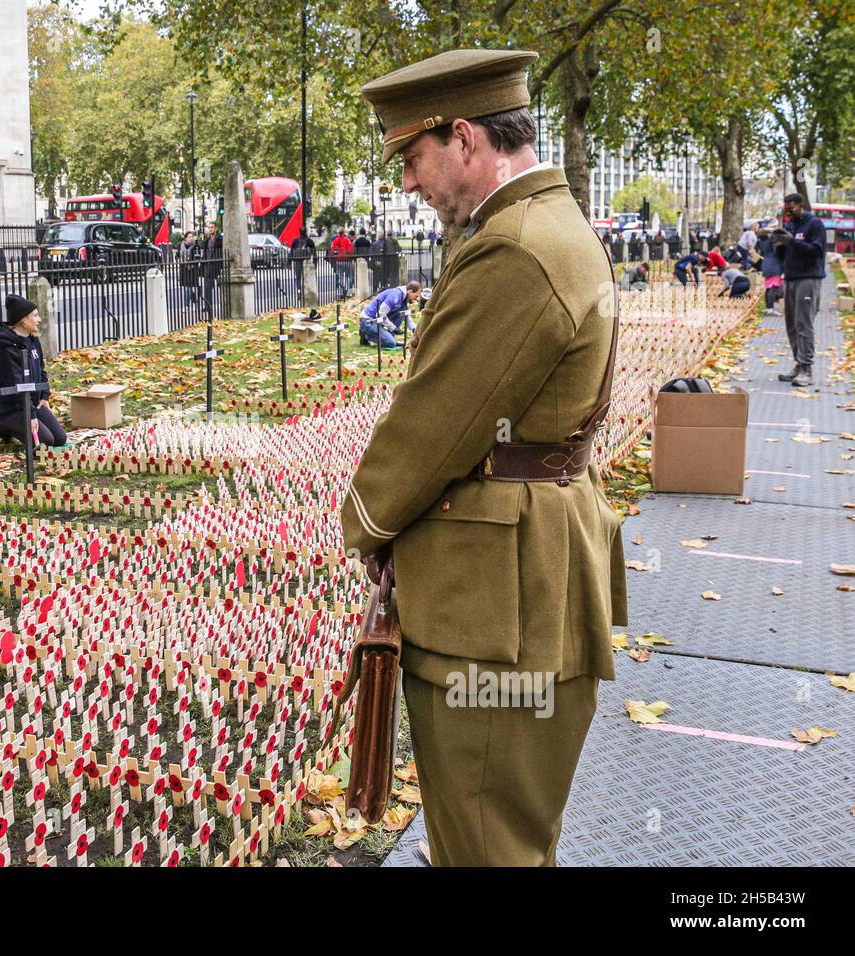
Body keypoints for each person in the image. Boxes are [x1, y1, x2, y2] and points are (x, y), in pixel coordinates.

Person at [345, 48, 625, 867]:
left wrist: (364, 525)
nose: (406, 180)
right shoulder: (548, 226)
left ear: (464, 138)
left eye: (411, 155)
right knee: (506, 838)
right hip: (526, 586)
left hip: (497, 614)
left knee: (483, 845)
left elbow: (433, 426)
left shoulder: (514, 249)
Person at [0, 294, 67, 449]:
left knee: (60, 438)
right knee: (45, 443)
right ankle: (1, 425)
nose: (39, 319)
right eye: (35, 316)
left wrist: (44, 396)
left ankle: (20, 423)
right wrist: (30, 416)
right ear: (23, 319)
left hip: (31, 401)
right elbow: (16, 386)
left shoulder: (33, 340)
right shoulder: (5, 348)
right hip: (10, 407)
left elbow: (41, 370)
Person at [776, 193, 827, 387]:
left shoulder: (814, 224)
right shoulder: (790, 224)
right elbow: (786, 253)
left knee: (804, 323)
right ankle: (799, 363)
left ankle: (807, 368)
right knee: (792, 325)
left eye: (791, 208)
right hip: (790, 278)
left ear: (800, 205)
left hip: (808, 278)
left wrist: (792, 241)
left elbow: (818, 251)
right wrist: (780, 244)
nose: (788, 211)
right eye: (786, 208)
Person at [359, 280, 423, 347]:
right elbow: (380, 314)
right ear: (410, 292)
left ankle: (389, 337)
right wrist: (394, 328)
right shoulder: (395, 296)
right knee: (391, 343)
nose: (416, 299)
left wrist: (415, 329)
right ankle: (365, 334)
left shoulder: (404, 298)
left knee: (403, 312)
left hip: (378, 320)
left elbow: (407, 316)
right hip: (368, 320)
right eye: (416, 296)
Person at [758, 223, 785, 314]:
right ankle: (770, 309)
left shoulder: (762, 241)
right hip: (774, 265)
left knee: (768, 287)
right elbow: (777, 252)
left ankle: (768, 307)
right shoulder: (771, 241)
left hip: (766, 264)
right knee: (773, 287)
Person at [200, 220, 224, 320]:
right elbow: (204, 253)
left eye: (212, 227)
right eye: (209, 227)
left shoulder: (220, 239)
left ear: (216, 228)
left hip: (217, 266)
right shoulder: (207, 240)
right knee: (207, 287)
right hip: (208, 266)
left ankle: (225, 304)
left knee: (222, 286)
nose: (210, 229)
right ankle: (207, 306)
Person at [290, 227, 316, 294]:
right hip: (306, 261)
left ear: (299, 232)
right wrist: (315, 262)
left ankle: (299, 290)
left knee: (298, 277)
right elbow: (314, 252)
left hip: (297, 260)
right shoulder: (309, 241)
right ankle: (306, 291)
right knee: (306, 277)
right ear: (306, 232)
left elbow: (291, 252)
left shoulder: (295, 241)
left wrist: (289, 262)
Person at [330, 226, 354, 297]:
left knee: (340, 277)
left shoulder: (334, 241)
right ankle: (348, 292)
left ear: (338, 233)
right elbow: (350, 250)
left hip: (338, 261)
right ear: (344, 233)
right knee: (349, 277)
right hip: (346, 260)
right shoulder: (347, 240)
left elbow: (332, 251)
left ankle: (341, 293)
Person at [178, 231, 200, 307]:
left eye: (192, 237)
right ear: (185, 238)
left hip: (193, 269)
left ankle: (187, 305)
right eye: (189, 237)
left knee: (190, 287)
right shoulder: (180, 246)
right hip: (184, 269)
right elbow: (177, 255)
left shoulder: (196, 246)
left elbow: (198, 257)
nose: (191, 238)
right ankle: (195, 302)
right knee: (188, 288)